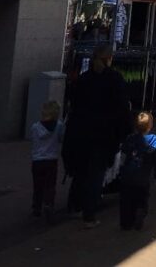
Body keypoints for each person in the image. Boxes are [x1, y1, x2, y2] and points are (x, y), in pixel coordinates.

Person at [62, 43, 131, 227]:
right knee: (96, 173)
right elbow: (122, 109)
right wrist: (125, 132)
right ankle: (89, 214)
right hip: (103, 134)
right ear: (109, 59)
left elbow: (73, 103)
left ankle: (74, 206)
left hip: (80, 132)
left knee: (80, 170)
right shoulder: (114, 79)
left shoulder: (84, 78)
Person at [117, 111, 156, 230]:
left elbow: (123, 156)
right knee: (142, 198)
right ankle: (140, 214)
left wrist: (120, 171)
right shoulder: (154, 140)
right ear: (150, 125)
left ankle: (126, 223)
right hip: (143, 177)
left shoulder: (130, 139)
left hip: (127, 176)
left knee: (126, 200)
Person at [29, 100, 65, 221]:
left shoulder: (35, 127)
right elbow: (61, 139)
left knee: (38, 185)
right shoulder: (59, 126)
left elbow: (33, 141)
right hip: (51, 160)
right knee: (50, 185)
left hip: (37, 160)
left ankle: (36, 207)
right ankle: (49, 204)